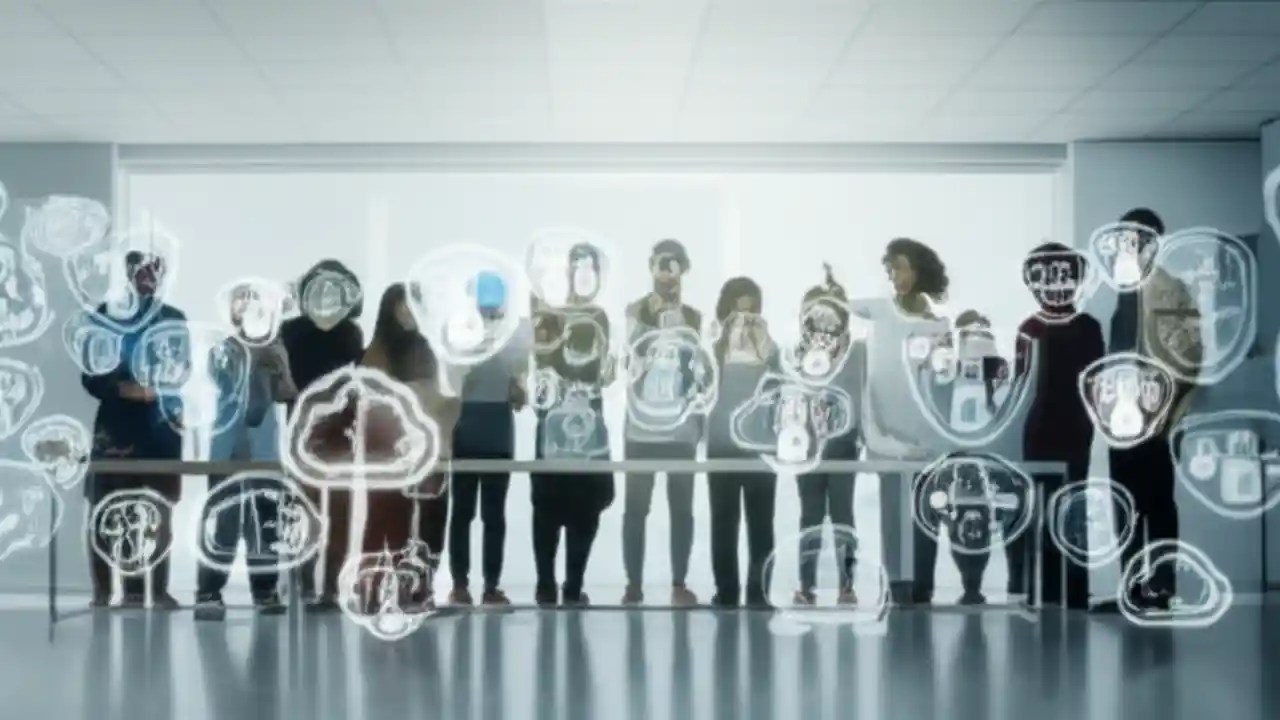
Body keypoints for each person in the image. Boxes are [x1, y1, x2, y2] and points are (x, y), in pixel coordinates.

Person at [1096, 208, 1200, 613]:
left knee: (1154, 502)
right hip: (1123, 417)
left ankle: (1157, 589)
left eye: (1133, 238)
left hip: (1150, 416)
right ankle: (1133, 590)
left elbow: (1190, 354)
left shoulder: (1168, 289)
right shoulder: (1128, 287)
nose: (1125, 246)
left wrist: (1162, 411)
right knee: (1127, 502)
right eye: (1122, 238)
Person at [849, 238, 951, 606]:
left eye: (902, 268)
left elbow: (943, 382)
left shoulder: (938, 325)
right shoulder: (880, 310)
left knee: (926, 513)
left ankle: (923, 586)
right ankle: (897, 585)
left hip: (925, 433)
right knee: (893, 513)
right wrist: (830, 290)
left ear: (920, 270)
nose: (896, 276)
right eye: (891, 269)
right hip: (887, 431)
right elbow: (841, 305)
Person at [82, 251, 185, 609]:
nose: (147, 276)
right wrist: (122, 388)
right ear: (128, 272)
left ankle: (153, 590)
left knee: (158, 509)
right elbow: (90, 374)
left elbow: (182, 370)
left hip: (160, 428)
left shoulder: (174, 319)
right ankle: (105, 590)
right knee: (107, 507)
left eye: (154, 269)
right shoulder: (105, 316)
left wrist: (161, 391)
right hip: (117, 425)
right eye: (140, 269)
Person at [194, 284, 299, 621]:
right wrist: (256, 354)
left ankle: (265, 590)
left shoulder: (275, 348)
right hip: (227, 449)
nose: (249, 309)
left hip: (265, 450)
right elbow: (224, 383)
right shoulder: (223, 349)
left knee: (266, 523)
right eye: (242, 303)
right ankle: (208, 592)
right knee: (223, 522)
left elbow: (287, 393)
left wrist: (277, 361)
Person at [359, 284, 468, 607]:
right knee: (389, 524)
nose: (408, 313)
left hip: (434, 454)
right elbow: (372, 403)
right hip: (393, 458)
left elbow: (449, 399)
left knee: (432, 524)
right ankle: (377, 591)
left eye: (413, 306)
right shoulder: (377, 352)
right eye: (401, 306)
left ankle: (421, 590)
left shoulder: (432, 349)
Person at [1012, 242, 1103, 609]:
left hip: (1072, 429)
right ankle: (1048, 589)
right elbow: (1020, 384)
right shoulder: (1030, 328)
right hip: (1043, 429)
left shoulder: (1084, 327)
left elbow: (1098, 381)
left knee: (1071, 508)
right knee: (1044, 510)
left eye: (1062, 274)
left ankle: (1071, 589)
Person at [621, 239, 704, 605]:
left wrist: (699, 422)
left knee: (682, 510)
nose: (667, 272)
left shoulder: (694, 317)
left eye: (673, 265)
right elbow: (630, 357)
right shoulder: (635, 311)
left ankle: (678, 583)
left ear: (683, 269)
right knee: (636, 509)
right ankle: (633, 585)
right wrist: (650, 317)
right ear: (651, 266)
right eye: (661, 264)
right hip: (641, 426)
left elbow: (698, 367)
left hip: (680, 427)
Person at [530, 254, 616, 606]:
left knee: (586, 507)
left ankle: (572, 585)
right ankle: (546, 585)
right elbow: (540, 357)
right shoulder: (546, 312)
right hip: (554, 420)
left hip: (588, 423)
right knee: (547, 508)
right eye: (576, 267)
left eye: (588, 268)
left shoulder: (598, 317)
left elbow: (602, 367)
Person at [279, 259, 364, 610]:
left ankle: (324, 585)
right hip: (314, 430)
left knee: (329, 512)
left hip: (332, 431)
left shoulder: (344, 333)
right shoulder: (300, 332)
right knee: (311, 510)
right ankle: (314, 583)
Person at [448, 272, 530, 607]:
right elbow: (450, 382)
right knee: (463, 511)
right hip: (466, 423)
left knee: (493, 513)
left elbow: (520, 397)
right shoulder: (457, 332)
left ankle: (491, 585)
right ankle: (459, 584)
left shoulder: (514, 335)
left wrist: (517, 381)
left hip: (497, 426)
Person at [791, 267, 866, 606]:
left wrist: (866, 435)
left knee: (842, 515)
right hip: (807, 444)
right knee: (809, 516)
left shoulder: (857, 353)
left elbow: (866, 394)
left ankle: (846, 587)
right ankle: (807, 586)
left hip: (843, 442)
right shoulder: (797, 353)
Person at [705, 277, 778, 608]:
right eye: (738, 313)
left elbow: (782, 384)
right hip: (721, 442)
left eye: (752, 313)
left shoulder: (768, 347)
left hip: (760, 444)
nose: (745, 322)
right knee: (723, 521)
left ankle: (759, 592)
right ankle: (726, 591)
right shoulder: (713, 348)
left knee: (761, 522)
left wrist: (765, 347)